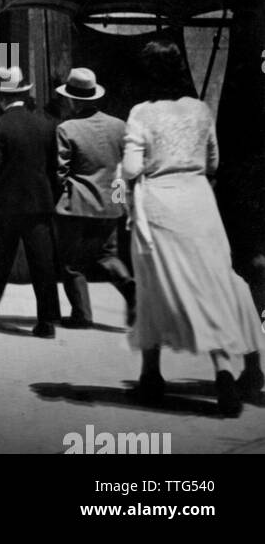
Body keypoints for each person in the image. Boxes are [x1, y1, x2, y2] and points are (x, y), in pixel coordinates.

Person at [123, 40, 264, 416]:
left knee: (157, 285)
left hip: (159, 207)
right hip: (200, 205)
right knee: (215, 283)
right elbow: (213, 160)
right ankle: (224, 368)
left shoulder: (141, 113)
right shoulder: (200, 109)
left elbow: (132, 169)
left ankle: (151, 374)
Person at [0, 66, 62, 337]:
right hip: (39, 204)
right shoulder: (47, 125)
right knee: (42, 263)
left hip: (5, 206)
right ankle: (47, 321)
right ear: (24, 92)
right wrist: (50, 198)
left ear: (1, 97)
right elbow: (53, 169)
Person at [54, 68, 136, 329]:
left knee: (71, 265)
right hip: (110, 204)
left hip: (77, 205)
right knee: (107, 256)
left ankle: (82, 315)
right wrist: (120, 201)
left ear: (72, 99)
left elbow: (60, 171)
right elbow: (125, 168)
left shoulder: (67, 128)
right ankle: (131, 289)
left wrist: (63, 193)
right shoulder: (118, 125)